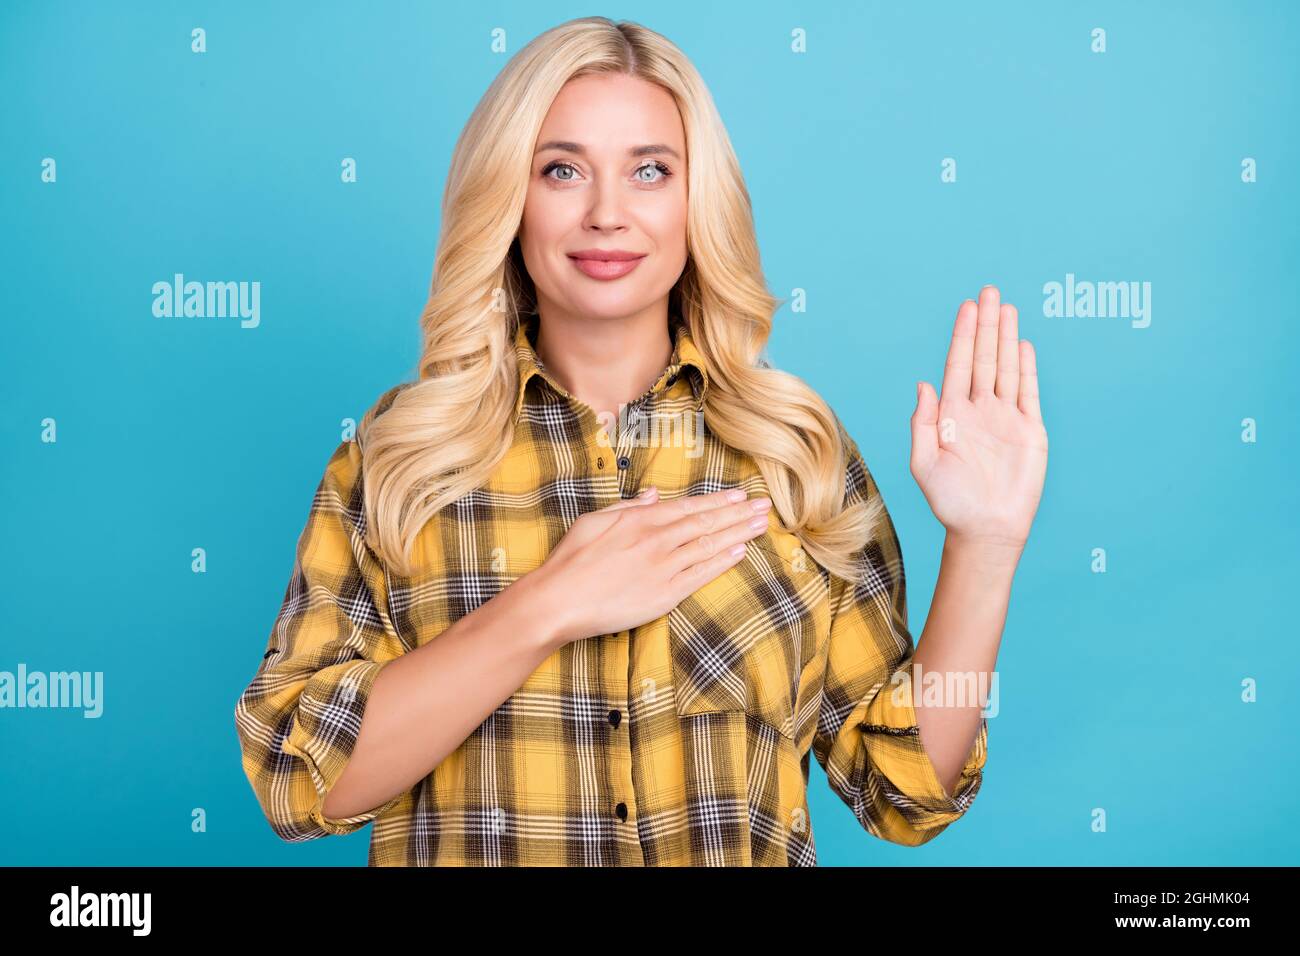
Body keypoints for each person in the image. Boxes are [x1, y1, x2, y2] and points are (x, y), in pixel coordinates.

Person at [234, 15, 1048, 866]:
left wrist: (984, 547)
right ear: (509, 196)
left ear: (698, 199)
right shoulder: (399, 460)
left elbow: (904, 786)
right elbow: (298, 779)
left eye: (649, 171)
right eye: (562, 170)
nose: (607, 214)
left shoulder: (795, 456)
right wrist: (548, 605)